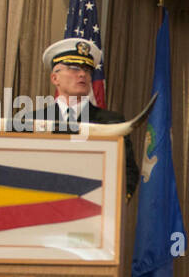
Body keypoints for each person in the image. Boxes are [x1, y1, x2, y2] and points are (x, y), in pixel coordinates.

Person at [38, 38, 139, 198]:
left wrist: (114, 202)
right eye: (73, 68)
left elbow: (128, 171)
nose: (82, 74)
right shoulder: (32, 121)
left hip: (93, 212)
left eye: (87, 69)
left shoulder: (111, 122)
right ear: (55, 78)